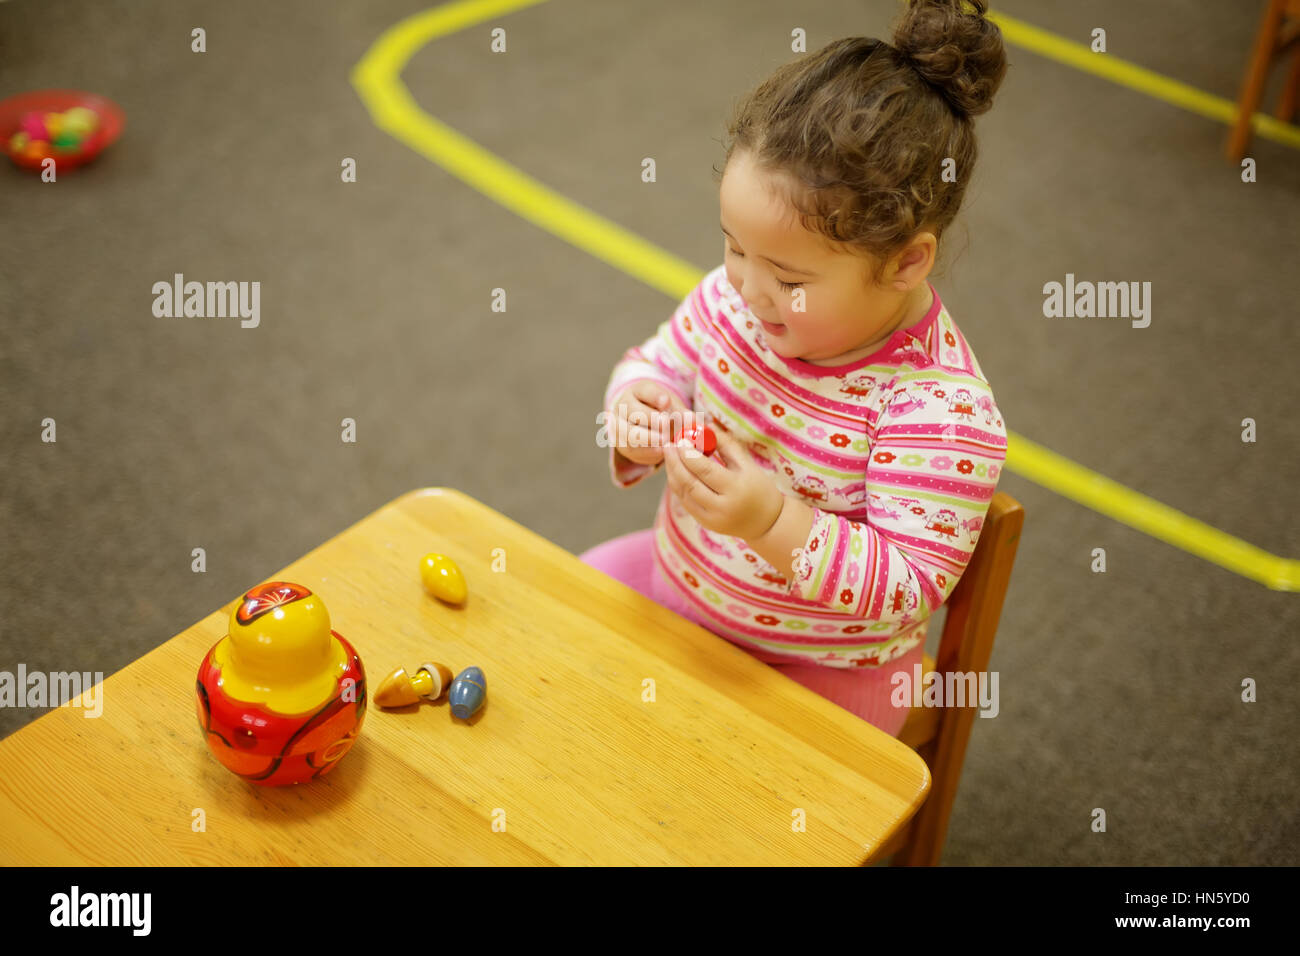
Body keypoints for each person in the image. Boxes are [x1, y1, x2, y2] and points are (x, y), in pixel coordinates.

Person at [582, 0, 1009, 737]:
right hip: (679, 586)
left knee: (738, 806)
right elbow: (654, 364)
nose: (746, 289)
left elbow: (906, 587)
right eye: (733, 248)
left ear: (907, 260)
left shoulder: (939, 411)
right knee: (549, 625)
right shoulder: (736, 298)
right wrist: (639, 403)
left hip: (828, 671)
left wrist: (773, 521)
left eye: (787, 276)